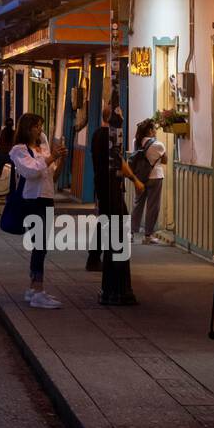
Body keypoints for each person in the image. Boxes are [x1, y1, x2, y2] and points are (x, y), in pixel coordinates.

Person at [9, 113, 66, 308]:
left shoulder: (42, 149)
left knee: (42, 245)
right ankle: (38, 290)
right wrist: (51, 158)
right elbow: (30, 172)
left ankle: (34, 288)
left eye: (41, 125)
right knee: (40, 244)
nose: (40, 129)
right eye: (38, 126)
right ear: (28, 128)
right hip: (33, 200)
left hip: (47, 198)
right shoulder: (19, 150)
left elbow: (52, 176)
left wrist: (61, 160)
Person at [91, 105, 142, 304]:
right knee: (118, 223)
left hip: (103, 185)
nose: (122, 117)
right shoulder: (108, 136)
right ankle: (116, 285)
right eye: (119, 115)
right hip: (110, 186)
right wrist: (135, 179)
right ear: (113, 118)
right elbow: (118, 161)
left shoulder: (97, 135)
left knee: (108, 222)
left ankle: (95, 258)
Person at [130, 118, 167, 244]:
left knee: (138, 204)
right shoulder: (158, 145)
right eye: (154, 129)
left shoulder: (136, 141)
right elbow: (165, 160)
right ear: (150, 130)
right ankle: (148, 236)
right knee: (153, 206)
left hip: (139, 177)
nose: (156, 131)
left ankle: (131, 233)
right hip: (155, 177)